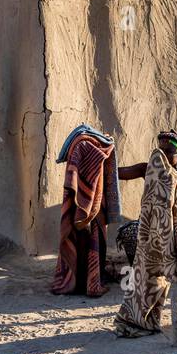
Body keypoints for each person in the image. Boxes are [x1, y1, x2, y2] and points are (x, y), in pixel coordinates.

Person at [113, 148, 177, 338]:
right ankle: (136, 319)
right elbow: (119, 173)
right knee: (143, 279)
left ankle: (150, 320)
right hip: (149, 236)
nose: (164, 154)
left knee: (160, 283)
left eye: (170, 151)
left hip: (170, 240)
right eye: (161, 148)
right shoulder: (149, 169)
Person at [50, 123, 120, 296]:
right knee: (91, 241)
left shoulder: (80, 146)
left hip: (77, 205)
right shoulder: (94, 148)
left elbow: (73, 176)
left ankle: (77, 281)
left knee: (80, 239)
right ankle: (92, 282)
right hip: (93, 204)